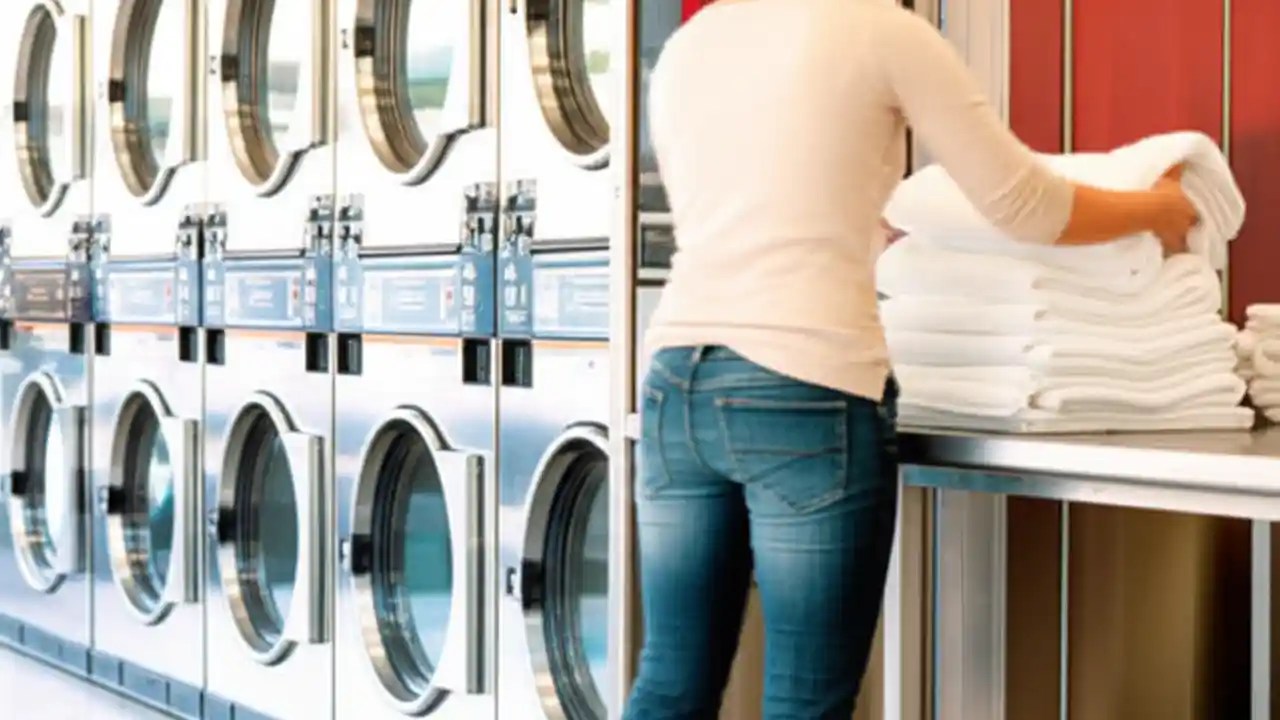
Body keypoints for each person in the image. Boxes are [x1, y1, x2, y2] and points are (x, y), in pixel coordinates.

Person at [622, 0, 1198, 718]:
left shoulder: (689, 44)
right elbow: (1022, 204)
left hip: (677, 379)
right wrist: (1156, 210)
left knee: (670, 684)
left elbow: (754, 206)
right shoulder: (880, 29)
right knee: (805, 700)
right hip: (805, 383)